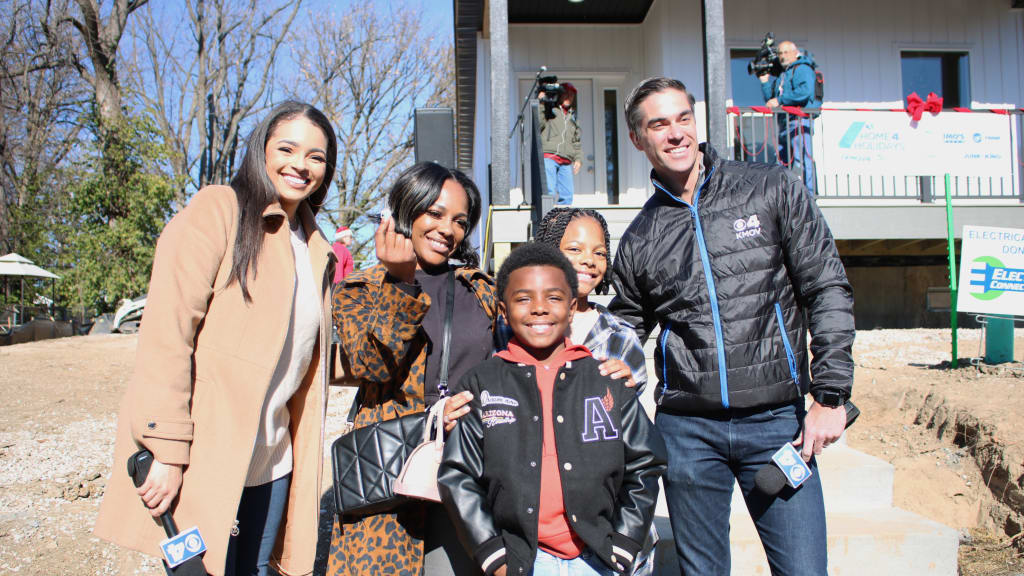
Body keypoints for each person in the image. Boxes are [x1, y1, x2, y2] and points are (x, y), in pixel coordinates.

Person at [611, 77, 855, 575]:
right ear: (639, 139)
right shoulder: (640, 238)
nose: (676, 133)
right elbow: (624, 330)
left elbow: (827, 288)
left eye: (683, 118)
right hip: (687, 434)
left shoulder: (771, 187)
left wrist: (830, 397)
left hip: (777, 427)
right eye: (659, 124)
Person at [94, 101, 339, 576]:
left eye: (317, 157)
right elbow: (168, 334)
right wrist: (165, 448)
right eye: (287, 148)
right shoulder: (219, 210)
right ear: (261, 151)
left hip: (274, 463)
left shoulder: (316, 247)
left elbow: (306, 355)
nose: (301, 165)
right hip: (205, 454)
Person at [439, 242, 667, 576]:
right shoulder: (481, 383)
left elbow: (645, 463)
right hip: (522, 561)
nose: (540, 308)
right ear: (503, 310)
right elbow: (458, 475)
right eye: (523, 298)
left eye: (554, 297)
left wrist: (624, 541)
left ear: (572, 307)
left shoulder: (607, 379)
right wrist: (492, 553)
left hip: (600, 557)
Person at [326, 161, 497, 576]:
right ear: (406, 210)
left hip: (468, 466)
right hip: (391, 469)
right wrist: (402, 284)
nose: (448, 229)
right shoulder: (360, 287)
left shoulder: (481, 287)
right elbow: (372, 366)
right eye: (435, 213)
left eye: (459, 220)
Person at [534, 207, 646, 393]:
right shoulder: (517, 324)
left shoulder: (620, 336)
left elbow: (630, 411)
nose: (589, 260)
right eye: (575, 249)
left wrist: (626, 386)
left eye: (599, 253)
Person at [759, 40, 819, 194]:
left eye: (786, 52)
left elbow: (805, 92)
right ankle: (785, 197)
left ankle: (808, 196)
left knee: (801, 159)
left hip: (799, 121)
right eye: (780, 53)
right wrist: (765, 83)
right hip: (785, 123)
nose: (782, 56)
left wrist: (780, 100)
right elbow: (771, 100)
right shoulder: (783, 74)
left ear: (795, 52)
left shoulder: (802, 68)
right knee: (782, 162)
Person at [538, 83, 582, 205]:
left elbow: (576, 140)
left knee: (567, 195)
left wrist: (578, 159)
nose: (569, 97)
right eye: (566, 94)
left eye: (572, 95)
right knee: (549, 192)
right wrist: (541, 103)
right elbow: (538, 123)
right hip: (550, 156)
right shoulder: (550, 110)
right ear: (560, 95)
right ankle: (548, 221)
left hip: (566, 161)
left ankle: (563, 222)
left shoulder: (573, 117)